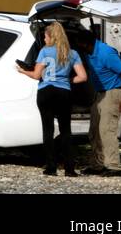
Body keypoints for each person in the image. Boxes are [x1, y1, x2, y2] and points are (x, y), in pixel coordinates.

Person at [17, 22, 88, 176]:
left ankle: (51, 167)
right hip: (64, 92)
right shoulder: (72, 53)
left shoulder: (44, 51)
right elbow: (83, 77)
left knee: (48, 130)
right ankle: (69, 169)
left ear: (51, 36)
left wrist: (23, 71)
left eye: (45, 36)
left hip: (46, 92)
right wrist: (67, 80)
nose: (44, 39)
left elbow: (36, 75)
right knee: (66, 130)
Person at [74, 31, 121, 177]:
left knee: (107, 130)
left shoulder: (106, 53)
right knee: (94, 131)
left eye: (79, 44)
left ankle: (114, 165)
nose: (78, 47)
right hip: (99, 93)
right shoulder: (89, 52)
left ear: (86, 44)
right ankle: (97, 164)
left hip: (112, 92)